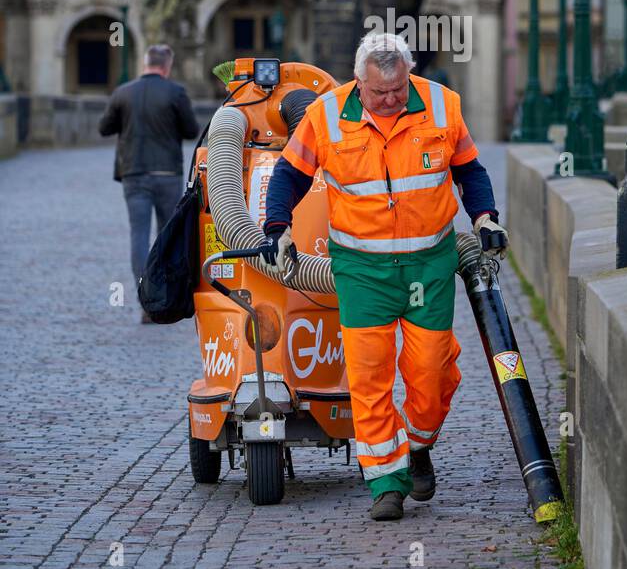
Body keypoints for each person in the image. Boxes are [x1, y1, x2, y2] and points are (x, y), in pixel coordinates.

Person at [260, 31, 509, 522]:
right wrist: (278, 227)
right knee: (370, 380)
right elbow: (290, 176)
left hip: (427, 266)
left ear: (409, 73)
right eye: (379, 93)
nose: (391, 100)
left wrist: (484, 216)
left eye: (398, 90)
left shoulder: (442, 105)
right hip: (362, 270)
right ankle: (385, 484)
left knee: (432, 372)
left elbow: (469, 170)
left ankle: (417, 445)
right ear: (359, 82)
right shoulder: (326, 116)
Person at [99, 43, 200, 320]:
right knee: (168, 238)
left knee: (139, 236)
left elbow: (104, 128)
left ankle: (147, 301)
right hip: (168, 174)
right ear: (166, 66)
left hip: (134, 173)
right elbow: (192, 130)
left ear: (145, 64)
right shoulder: (175, 92)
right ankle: (166, 299)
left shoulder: (123, 93)